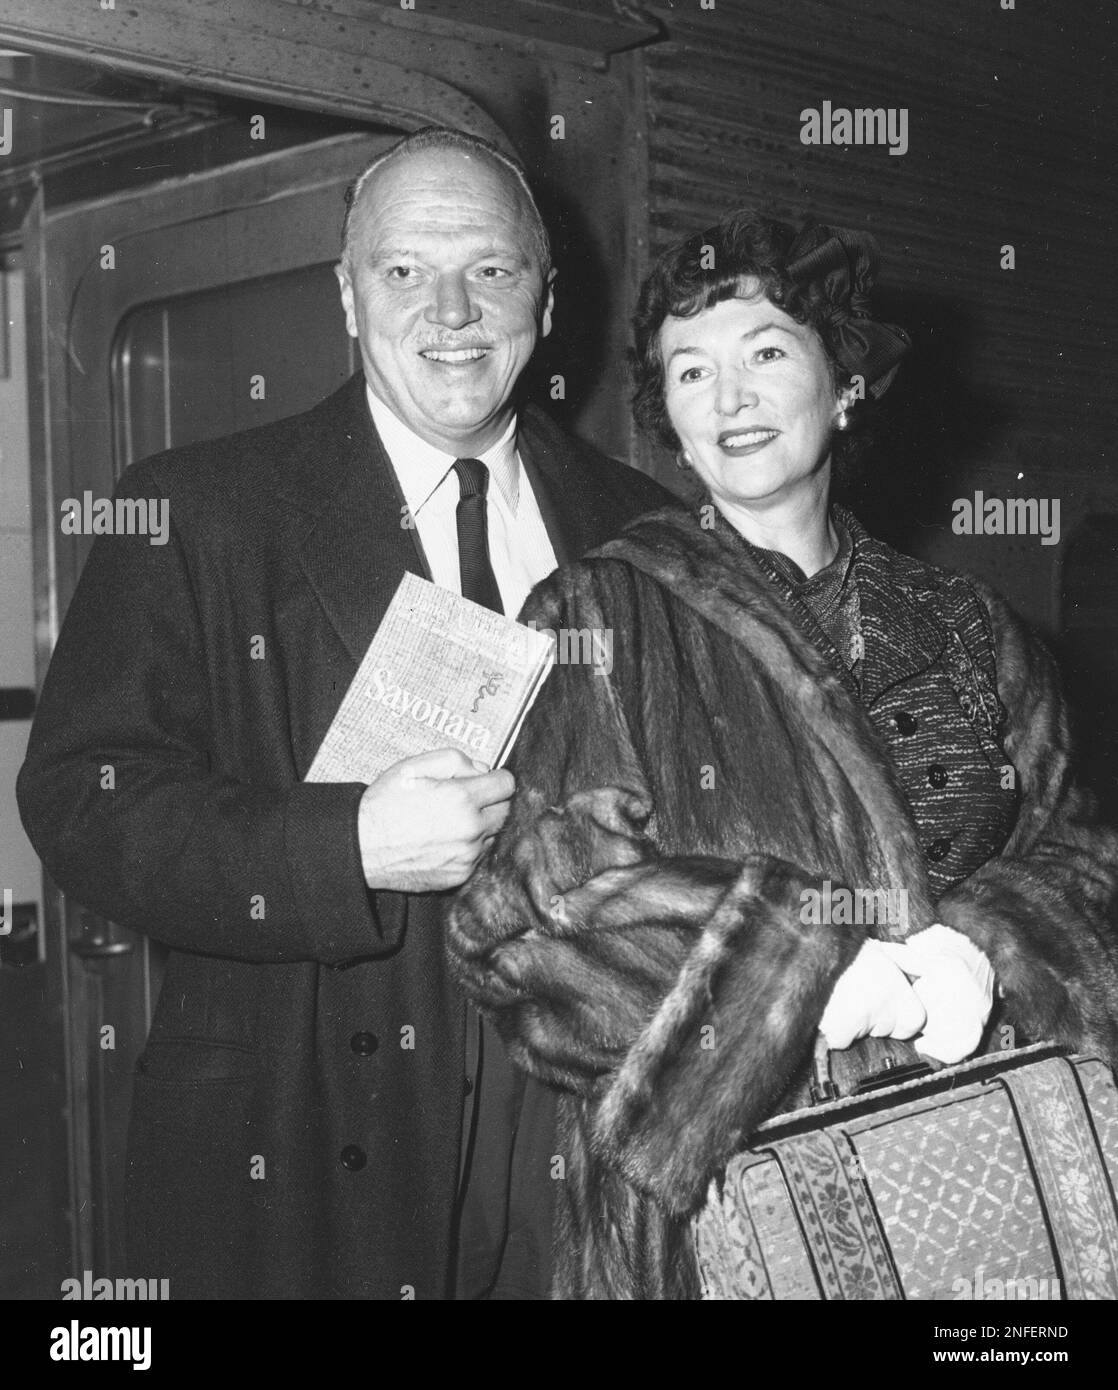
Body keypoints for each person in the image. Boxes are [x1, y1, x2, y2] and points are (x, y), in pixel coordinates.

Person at [16, 126, 673, 1300]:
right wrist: (345, 846)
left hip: (575, 1144)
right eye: (403, 271)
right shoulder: (195, 507)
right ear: (346, 295)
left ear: (546, 295)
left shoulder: (641, 527)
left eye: (491, 269)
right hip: (302, 1137)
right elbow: (81, 800)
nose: (452, 312)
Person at [446, 210, 1118, 1299]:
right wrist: (804, 963)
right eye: (688, 371)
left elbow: (1080, 856)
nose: (728, 398)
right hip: (722, 1214)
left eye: (763, 352)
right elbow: (526, 920)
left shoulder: (970, 624)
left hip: (976, 1176)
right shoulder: (592, 610)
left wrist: (984, 942)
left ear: (842, 379)